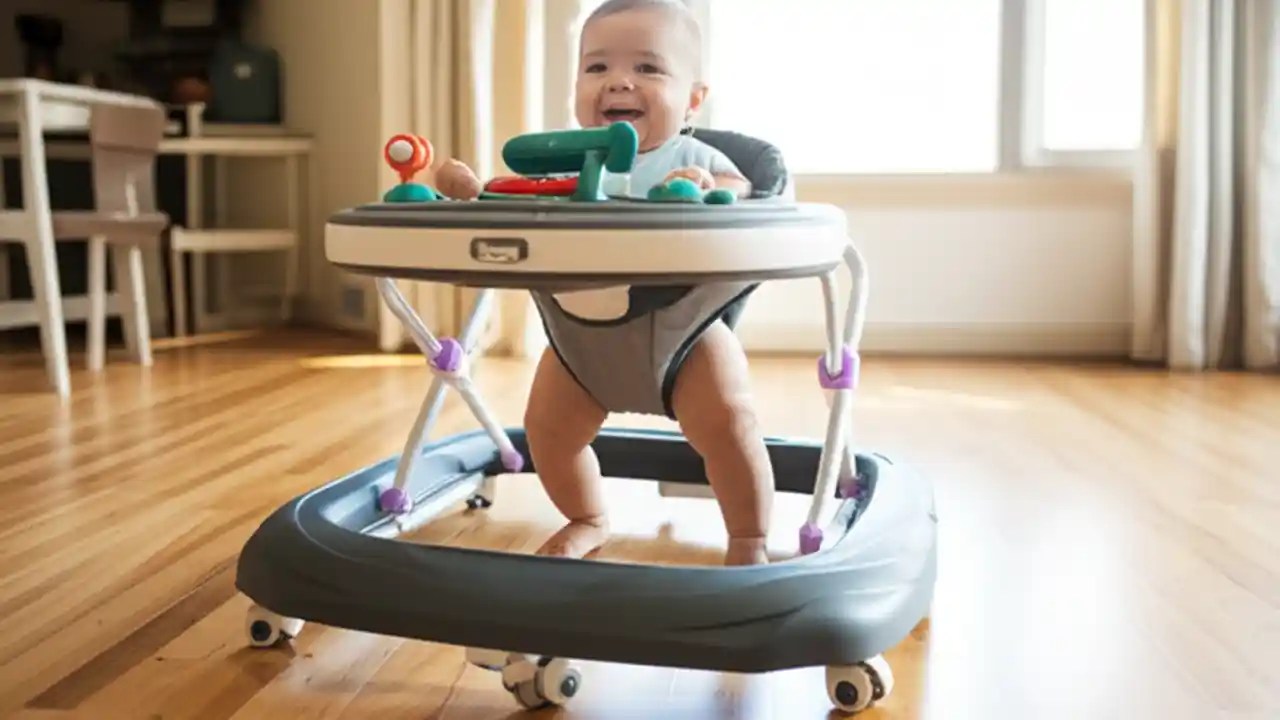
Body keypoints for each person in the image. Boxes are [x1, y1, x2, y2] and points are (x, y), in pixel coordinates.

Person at [437, 0, 774, 566]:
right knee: (547, 433)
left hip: (680, 335)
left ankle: (748, 539)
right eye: (597, 68)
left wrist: (705, 182)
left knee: (727, 427)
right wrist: (472, 192)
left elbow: (739, 187)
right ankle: (587, 517)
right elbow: (514, 205)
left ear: (692, 99)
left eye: (648, 68)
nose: (619, 80)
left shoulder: (688, 152)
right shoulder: (564, 165)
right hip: (581, 341)